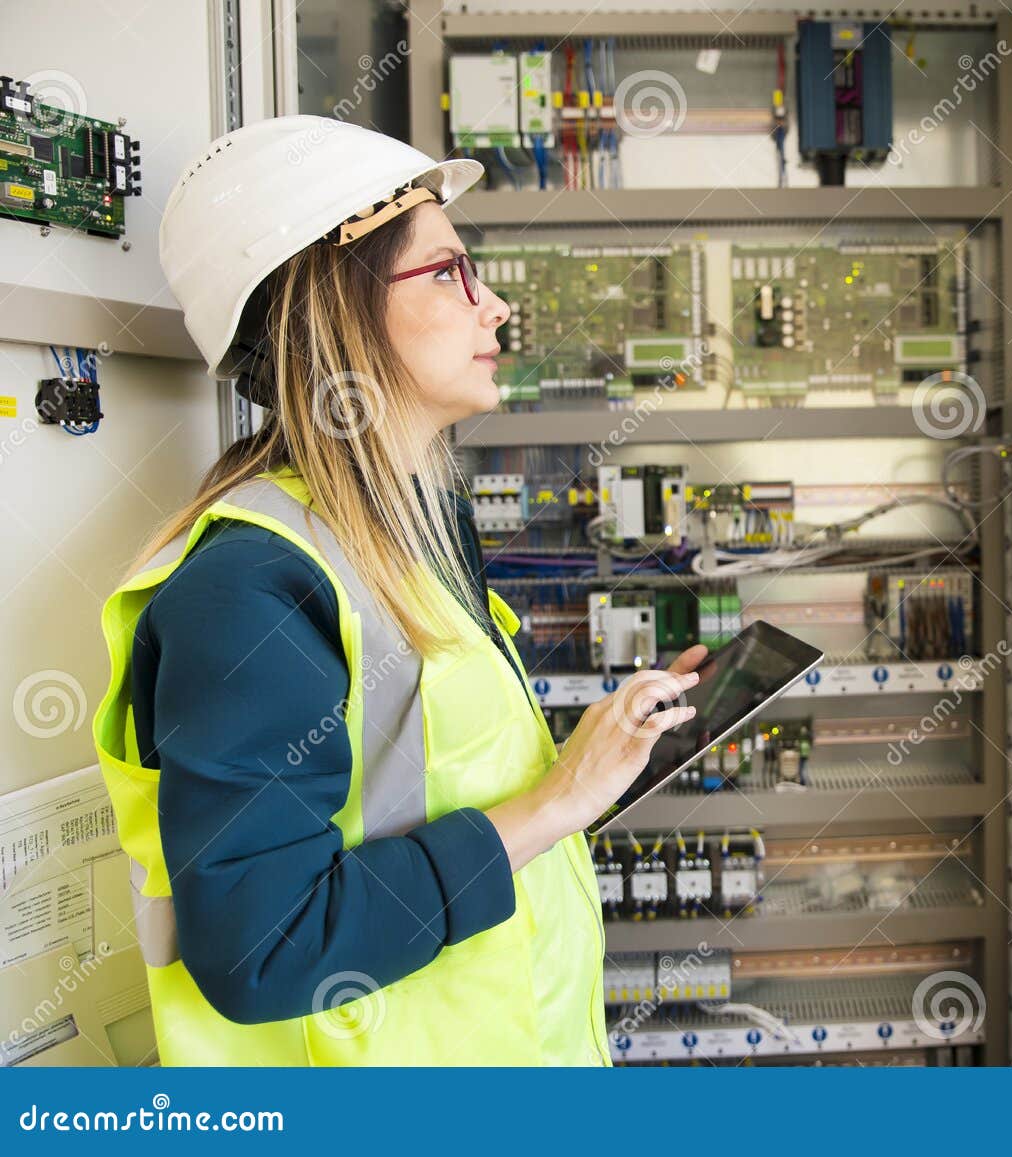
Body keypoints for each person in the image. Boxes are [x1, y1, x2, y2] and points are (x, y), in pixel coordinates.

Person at [90, 116, 705, 1066]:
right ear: (334, 306)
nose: (495, 305)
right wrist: (558, 803)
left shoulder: (413, 537)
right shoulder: (249, 586)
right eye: (451, 272)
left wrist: (594, 761)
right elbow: (260, 947)